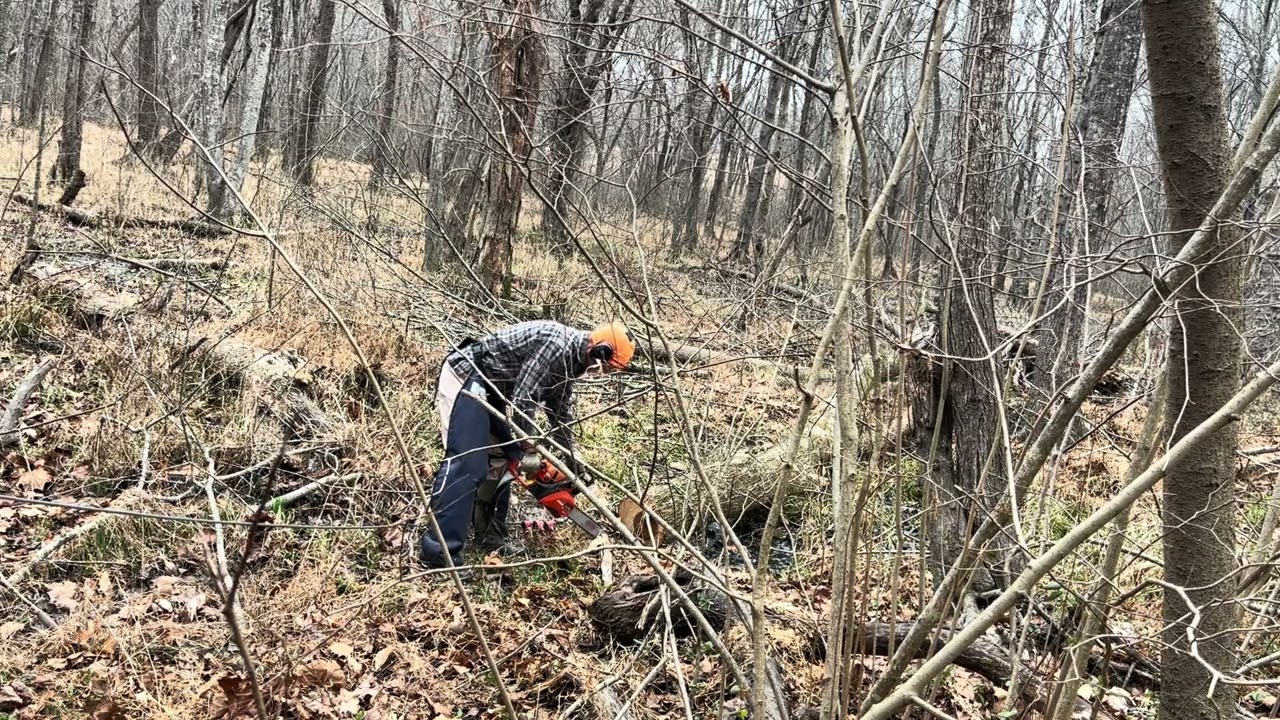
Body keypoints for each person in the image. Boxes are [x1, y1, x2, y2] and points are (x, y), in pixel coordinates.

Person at [420, 319, 635, 569]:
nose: (603, 372)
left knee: (502, 459)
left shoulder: (571, 362)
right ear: (600, 351)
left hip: (492, 388)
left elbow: (560, 411)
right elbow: (525, 396)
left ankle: (490, 535)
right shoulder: (557, 345)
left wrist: (571, 458)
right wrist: (528, 447)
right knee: (467, 463)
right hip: (468, 374)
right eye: (607, 367)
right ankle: (438, 552)